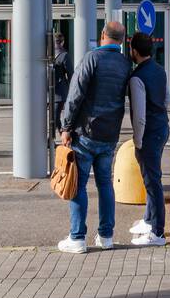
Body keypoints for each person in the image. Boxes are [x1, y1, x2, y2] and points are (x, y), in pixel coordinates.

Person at [56, 20, 131, 254]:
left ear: (102, 35)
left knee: (78, 185)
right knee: (105, 185)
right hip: (110, 134)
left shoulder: (91, 59)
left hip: (86, 133)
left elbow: (75, 95)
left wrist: (66, 127)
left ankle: (78, 238)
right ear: (120, 41)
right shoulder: (125, 64)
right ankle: (106, 236)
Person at [126, 32, 169, 246]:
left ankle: (158, 233)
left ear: (134, 51)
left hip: (149, 133)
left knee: (152, 182)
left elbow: (139, 115)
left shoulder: (136, 77)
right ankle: (149, 220)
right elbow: (166, 98)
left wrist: (137, 140)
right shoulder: (161, 70)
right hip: (162, 127)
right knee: (152, 178)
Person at [51, 34, 71, 129]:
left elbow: (70, 73)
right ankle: (61, 136)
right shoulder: (48, 53)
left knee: (54, 117)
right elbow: (71, 73)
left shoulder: (64, 55)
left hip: (58, 92)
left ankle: (59, 136)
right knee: (54, 117)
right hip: (51, 91)